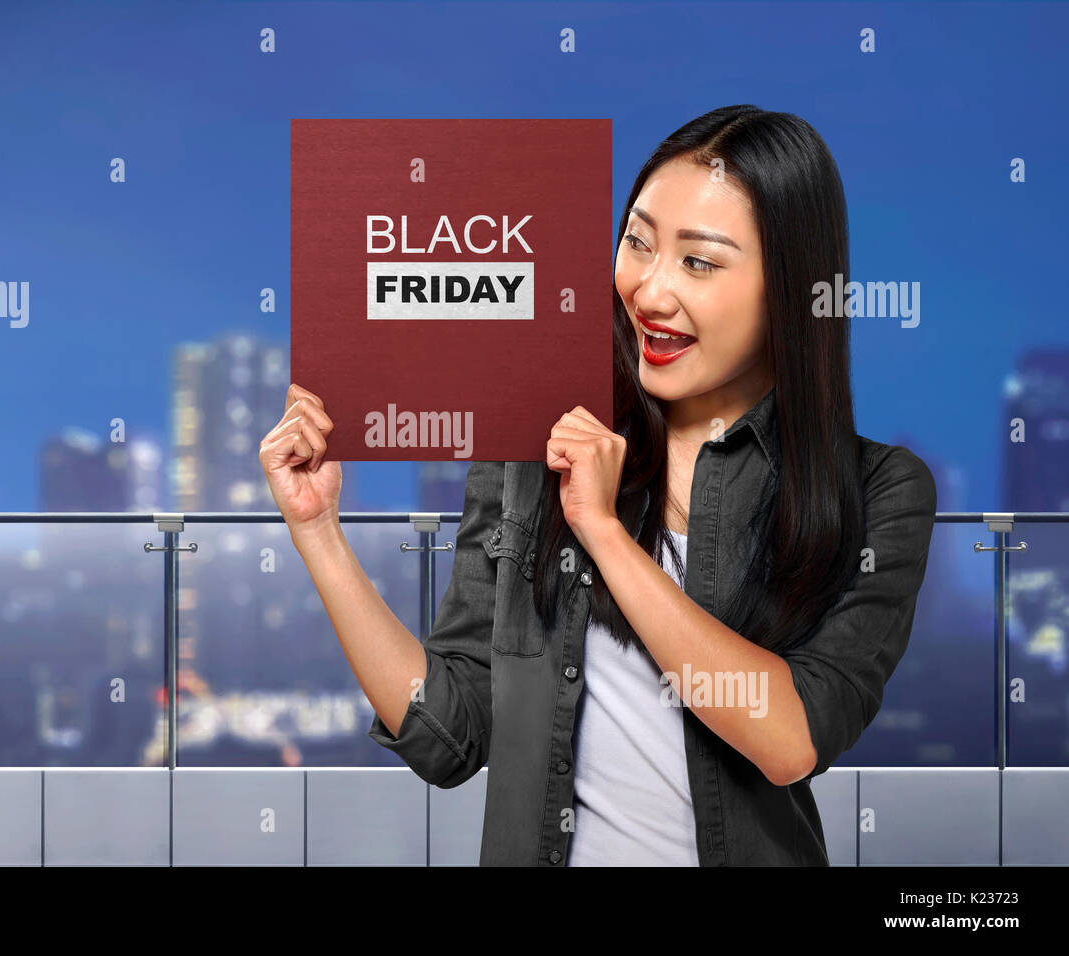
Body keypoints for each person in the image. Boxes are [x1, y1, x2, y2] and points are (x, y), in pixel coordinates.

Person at [259, 104, 938, 866]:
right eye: (638, 242)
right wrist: (318, 534)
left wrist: (606, 533)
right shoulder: (533, 445)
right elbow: (448, 735)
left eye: (700, 262)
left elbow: (790, 740)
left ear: (790, 289)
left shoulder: (880, 491)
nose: (649, 291)